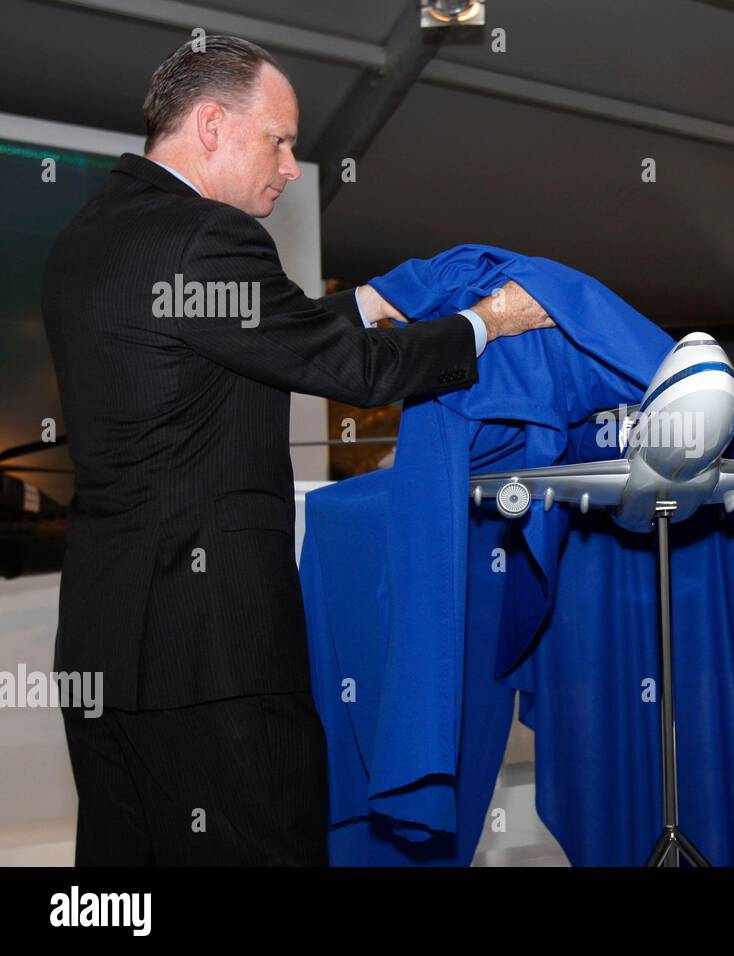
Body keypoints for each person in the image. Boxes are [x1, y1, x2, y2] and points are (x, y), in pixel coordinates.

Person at [43, 35, 552, 865]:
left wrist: (376, 300)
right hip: (216, 651)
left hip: (105, 642)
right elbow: (352, 373)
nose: (288, 167)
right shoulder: (209, 236)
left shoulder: (89, 239)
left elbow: (251, 337)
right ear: (211, 125)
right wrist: (485, 323)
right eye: (277, 139)